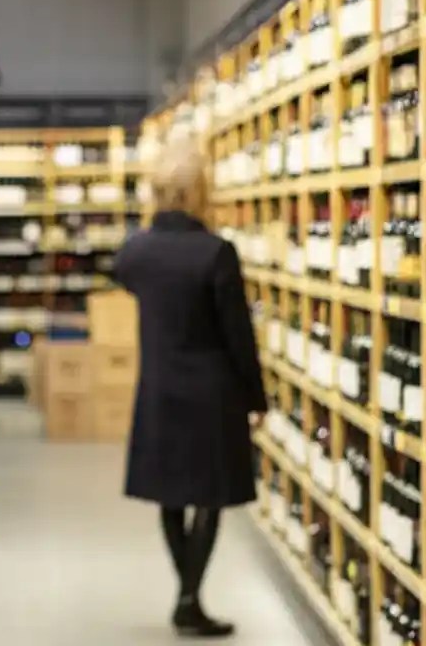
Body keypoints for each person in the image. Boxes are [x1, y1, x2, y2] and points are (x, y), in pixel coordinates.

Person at [113, 144, 266, 639]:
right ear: (199, 192)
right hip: (212, 392)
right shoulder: (215, 252)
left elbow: (127, 280)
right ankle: (190, 598)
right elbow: (237, 335)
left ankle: (186, 594)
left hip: (160, 386)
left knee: (171, 495)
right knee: (210, 497)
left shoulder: (136, 251)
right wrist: (255, 397)